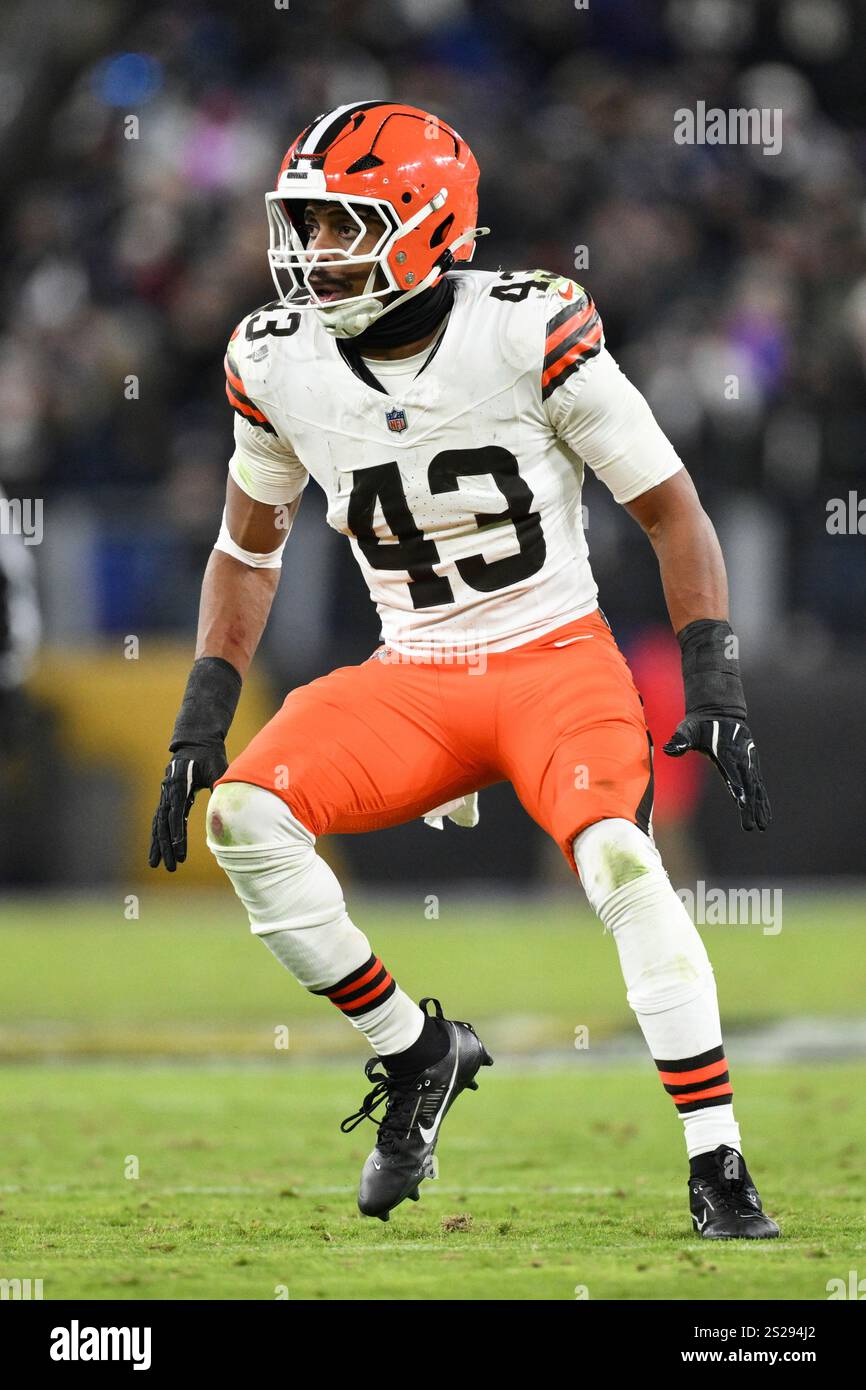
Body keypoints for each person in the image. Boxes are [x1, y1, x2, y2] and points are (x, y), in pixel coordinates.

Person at [150, 102, 777, 1237]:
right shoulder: (274, 358)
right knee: (242, 817)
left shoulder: (530, 327)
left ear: (428, 224)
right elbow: (247, 547)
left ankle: (715, 1158)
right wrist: (205, 711)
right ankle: (417, 1049)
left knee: (623, 864)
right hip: (414, 674)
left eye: (343, 226)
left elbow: (670, 512)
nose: (315, 254)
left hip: (554, 661)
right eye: (305, 226)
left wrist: (713, 680)